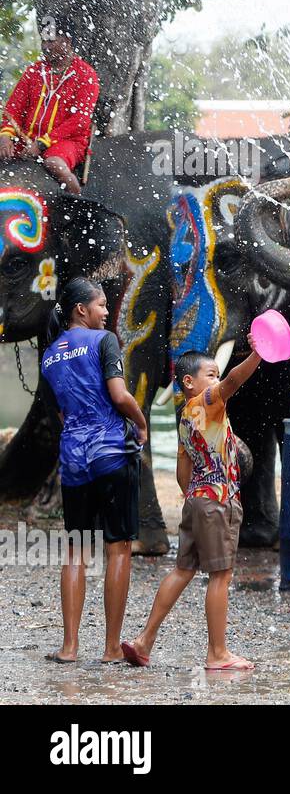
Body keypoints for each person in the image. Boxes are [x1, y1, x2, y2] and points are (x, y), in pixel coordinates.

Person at [122, 347, 262, 672]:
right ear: (189, 382)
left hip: (196, 501)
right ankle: (218, 654)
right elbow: (233, 381)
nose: (215, 381)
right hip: (217, 501)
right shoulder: (209, 401)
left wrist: (194, 499)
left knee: (183, 570)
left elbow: (182, 470)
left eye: (215, 375)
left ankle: (144, 641)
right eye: (209, 375)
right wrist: (258, 354)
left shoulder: (185, 416)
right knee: (221, 575)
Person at [37, 278, 148, 664]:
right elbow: (119, 395)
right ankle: (111, 648)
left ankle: (69, 647)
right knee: (118, 548)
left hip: (73, 460)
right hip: (111, 453)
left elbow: (64, 413)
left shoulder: (49, 355)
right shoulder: (105, 341)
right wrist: (141, 423)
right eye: (101, 305)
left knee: (76, 551)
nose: (106, 311)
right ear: (81, 309)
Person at [0, 18, 99, 195]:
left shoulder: (86, 75)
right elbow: (13, 110)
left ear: (67, 42)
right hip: (26, 139)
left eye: (51, 41)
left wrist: (43, 143)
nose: (45, 46)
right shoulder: (33, 72)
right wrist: (6, 137)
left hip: (66, 141)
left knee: (54, 164)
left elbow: (80, 120)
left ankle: (78, 208)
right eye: (43, 41)